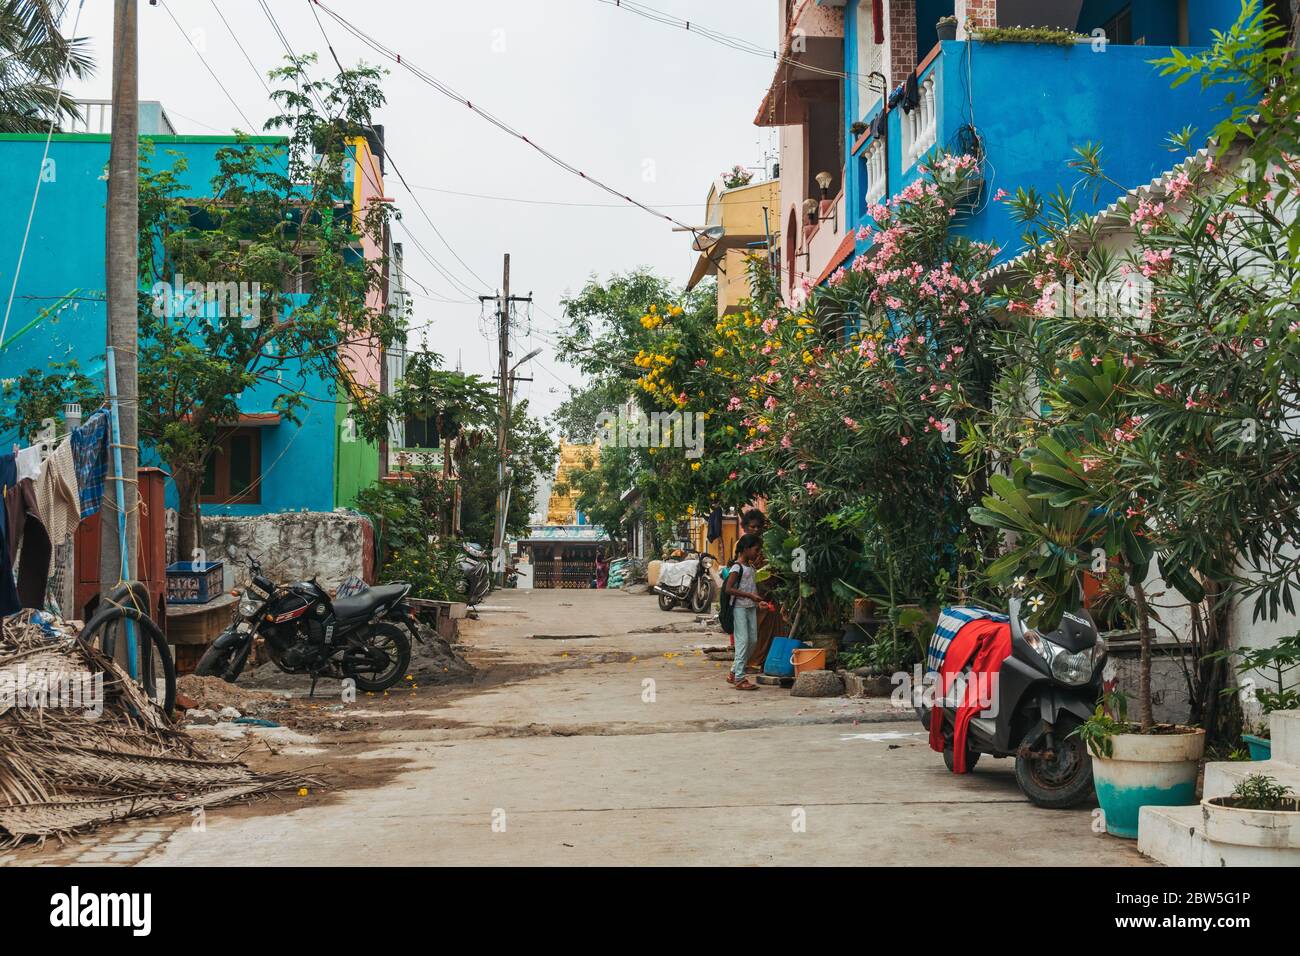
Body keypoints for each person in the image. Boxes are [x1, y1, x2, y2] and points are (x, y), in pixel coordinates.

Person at [725, 533, 769, 691]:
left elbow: (751, 588)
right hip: (739, 609)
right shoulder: (737, 568)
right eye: (756, 550)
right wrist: (749, 596)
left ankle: (733, 672)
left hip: (751, 607)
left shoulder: (751, 567)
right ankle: (739, 678)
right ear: (746, 549)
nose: (758, 553)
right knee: (743, 642)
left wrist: (758, 602)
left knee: (753, 641)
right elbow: (728, 589)